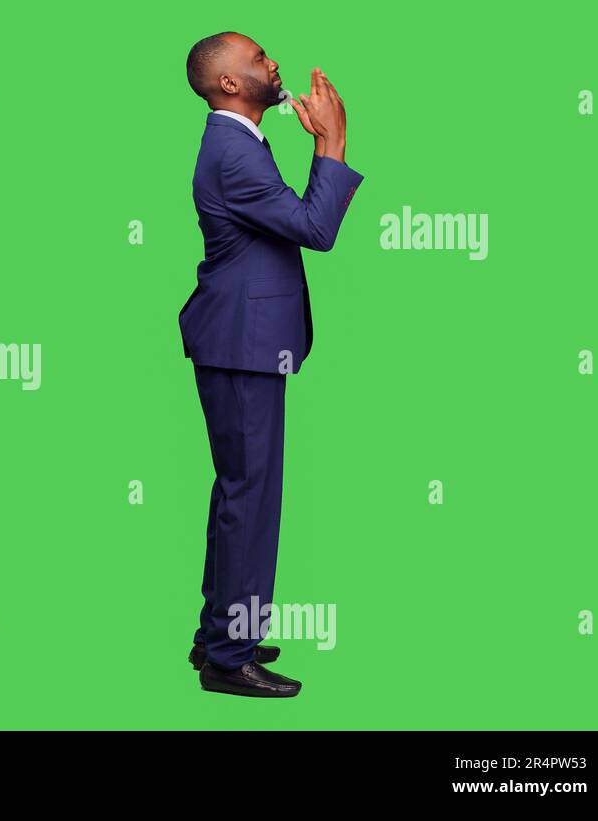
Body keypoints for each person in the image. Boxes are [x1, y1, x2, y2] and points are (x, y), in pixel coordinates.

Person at [179, 32, 362, 697]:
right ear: (229, 84)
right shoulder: (234, 153)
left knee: (237, 491)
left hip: (241, 340)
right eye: (258, 60)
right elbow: (315, 226)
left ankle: (219, 632)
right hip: (243, 343)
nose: (273, 63)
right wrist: (332, 142)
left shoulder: (239, 143)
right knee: (250, 500)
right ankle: (231, 657)